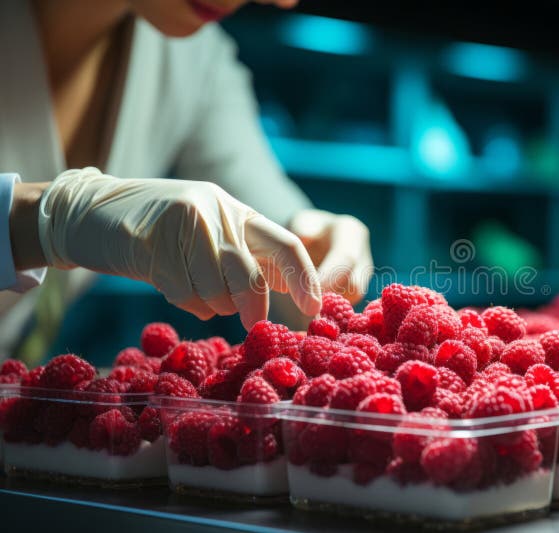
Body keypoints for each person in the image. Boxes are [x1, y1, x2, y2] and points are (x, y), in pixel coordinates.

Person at [0, 0, 373, 360]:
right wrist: (42, 217)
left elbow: (258, 194)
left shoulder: (196, 59)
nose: (280, 1)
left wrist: (307, 245)